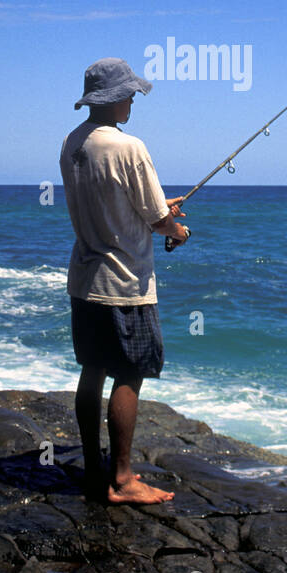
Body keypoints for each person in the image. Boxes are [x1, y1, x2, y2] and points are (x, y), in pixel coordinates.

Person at [59, 57, 189, 504]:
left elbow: (111, 198)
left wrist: (155, 210)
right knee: (131, 373)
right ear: (113, 98)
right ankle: (124, 479)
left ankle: (95, 469)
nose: (133, 99)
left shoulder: (73, 143)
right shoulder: (128, 146)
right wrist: (178, 229)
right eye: (129, 93)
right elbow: (156, 219)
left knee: (93, 368)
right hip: (124, 283)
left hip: (85, 279)